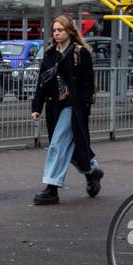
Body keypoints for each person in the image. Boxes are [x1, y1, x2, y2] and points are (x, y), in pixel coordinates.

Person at [30, 15, 103, 205]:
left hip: (74, 106)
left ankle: (51, 187)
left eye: (60, 30)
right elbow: (42, 82)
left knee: (56, 144)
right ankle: (92, 170)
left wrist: (85, 107)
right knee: (70, 146)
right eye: (54, 30)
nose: (56, 33)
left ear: (69, 31)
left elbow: (88, 83)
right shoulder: (49, 54)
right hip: (55, 106)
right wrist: (36, 107)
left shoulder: (80, 52)